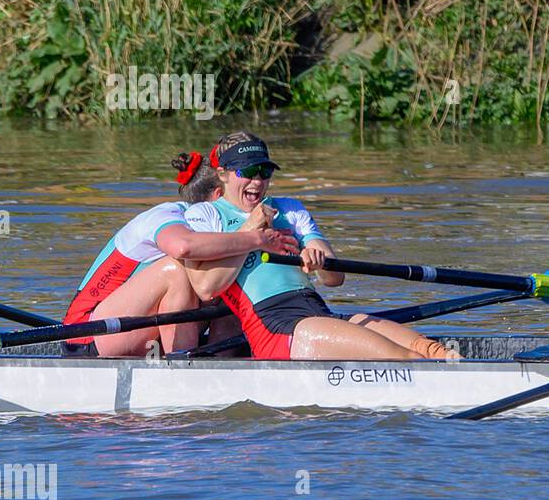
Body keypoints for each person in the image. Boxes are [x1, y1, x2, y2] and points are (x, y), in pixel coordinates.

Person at [180, 131, 455, 361]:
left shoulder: (289, 208)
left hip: (319, 313)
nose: (258, 181)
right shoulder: (206, 215)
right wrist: (252, 232)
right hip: (278, 329)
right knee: (407, 359)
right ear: (223, 174)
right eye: (248, 172)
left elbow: (334, 278)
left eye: (265, 172)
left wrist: (316, 256)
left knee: (430, 350)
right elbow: (207, 287)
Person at [62, 150, 298, 356]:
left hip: (141, 330)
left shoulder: (223, 225)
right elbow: (182, 247)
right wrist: (256, 238)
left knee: (232, 274)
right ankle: (183, 363)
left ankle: (221, 361)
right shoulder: (168, 215)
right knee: (178, 269)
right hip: (86, 334)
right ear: (218, 195)